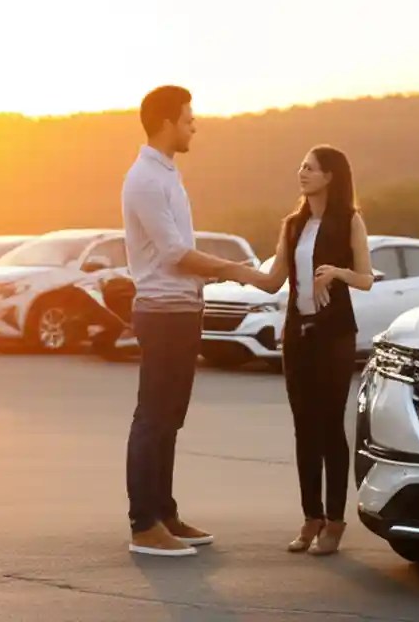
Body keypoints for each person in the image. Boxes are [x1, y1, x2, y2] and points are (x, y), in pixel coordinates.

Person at [121, 85, 261, 557]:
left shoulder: (168, 175)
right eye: (188, 118)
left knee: (170, 419)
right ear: (166, 123)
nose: (194, 125)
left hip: (184, 309)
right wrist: (240, 272)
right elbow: (175, 253)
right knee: (153, 417)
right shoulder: (145, 179)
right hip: (161, 312)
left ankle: (165, 513)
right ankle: (144, 524)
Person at [244, 145, 374, 556]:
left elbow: (367, 279)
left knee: (330, 427)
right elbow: (273, 279)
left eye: (310, 168)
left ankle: (335, 520)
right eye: (300, 165)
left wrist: (337, 273)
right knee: (304, 428)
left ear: (330, 176)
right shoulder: (293, 225)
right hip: (297, 335)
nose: (302, 172)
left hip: (334, 335)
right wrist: (223, 271)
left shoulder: (349, 221)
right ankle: (310, 516)